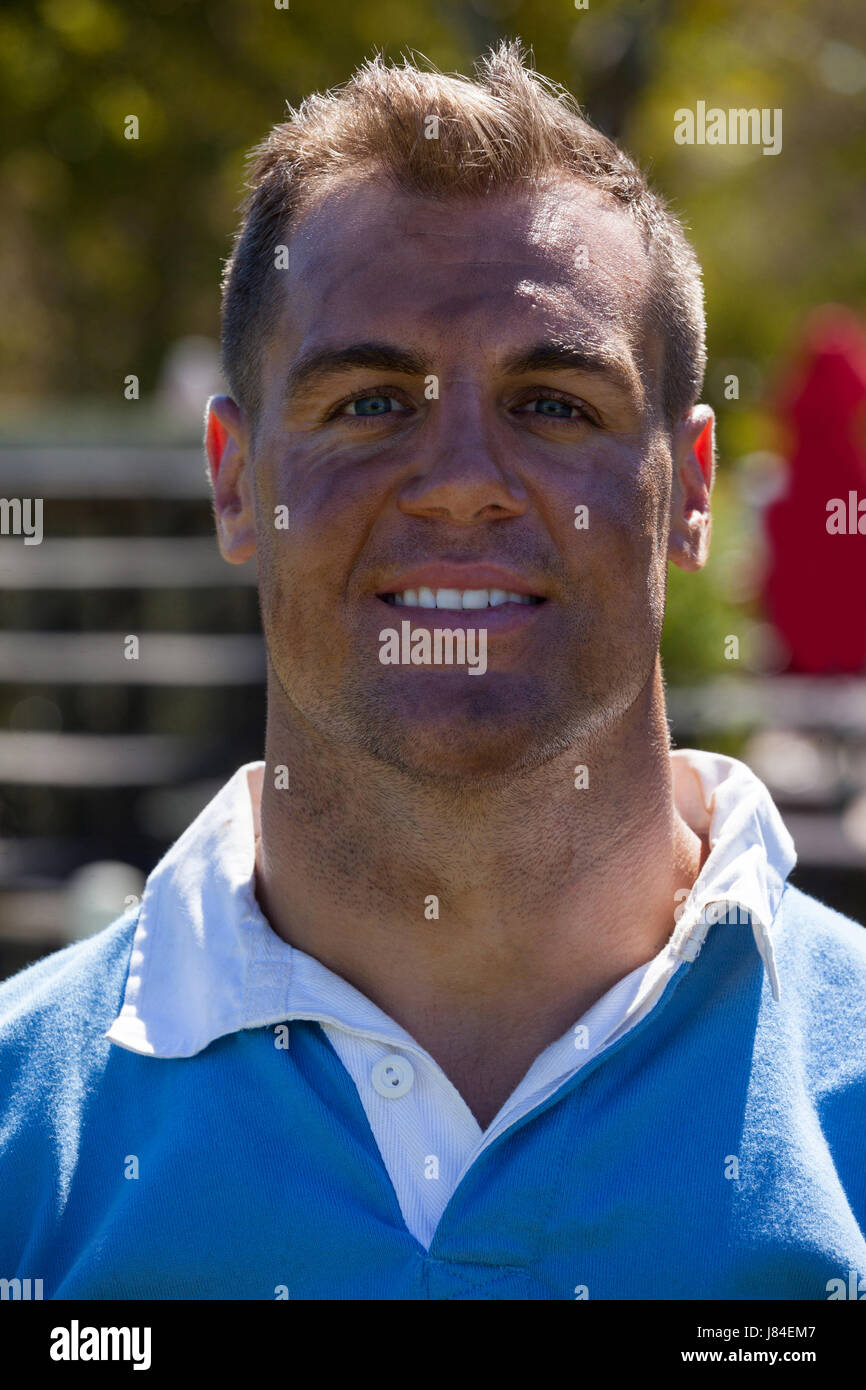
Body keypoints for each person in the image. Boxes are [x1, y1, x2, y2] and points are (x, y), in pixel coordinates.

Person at [1, 41, 864, 1302]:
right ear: (235, 482)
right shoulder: (24, 1140)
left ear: (684, 491)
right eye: (368, 402)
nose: (461, 477)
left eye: (553, 404)